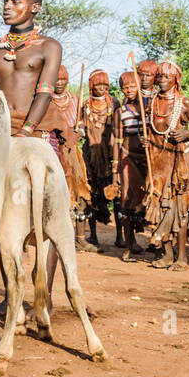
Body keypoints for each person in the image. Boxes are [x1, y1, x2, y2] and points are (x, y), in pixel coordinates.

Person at [0, 0, 70, 291]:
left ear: (34, 8)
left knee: (52, 216)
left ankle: (43, 295)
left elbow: (44, 93)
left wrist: (26, 132)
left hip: (37, 136)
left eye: (15, 1)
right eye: (5, 0)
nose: (6, 6)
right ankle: (12, 294)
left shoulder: (49, 47)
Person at [142, 61, 189, 270]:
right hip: (158, 163)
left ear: (176, 79)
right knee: (159, 206)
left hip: (179, 163)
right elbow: (153, 130)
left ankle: (182, 258)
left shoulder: (183, 103)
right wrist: (147, 140)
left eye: (167, 77)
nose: (162, 81)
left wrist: (187, 134)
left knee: (179, 210)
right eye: (160, 77)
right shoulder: (151, 103)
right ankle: (167, 254)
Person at [51, 64, 96, 252]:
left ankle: (80, 238)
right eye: (56, 79)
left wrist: (80, 132)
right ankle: (57, 236)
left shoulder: (75, 100)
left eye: (62, 79)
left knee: (80, 191)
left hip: (72, 153)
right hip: (53, 150)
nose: (59, 83)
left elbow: (83, 125)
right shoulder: (45, 100)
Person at [80, 69, 119, 248]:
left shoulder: (114, 104)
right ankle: (93, 235)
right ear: (91, 86)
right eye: (97, 85)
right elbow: (80, 125)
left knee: (116, 195)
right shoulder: (85, 105)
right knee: (92, 194)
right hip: (91, 155)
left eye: (104, 85)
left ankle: (121, 236)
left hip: (111, 155)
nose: (101, 89)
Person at [112, 70, 149, 257]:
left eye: (132, 86)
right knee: (127, 201)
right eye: (125, 88)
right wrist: (114, 170)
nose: (129, 90)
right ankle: (129, 244)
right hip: (127, 159)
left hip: (149, 161)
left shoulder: (149, 107)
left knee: (147, 200)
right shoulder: (120, 112)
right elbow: (117, 140)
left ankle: (157, 245)